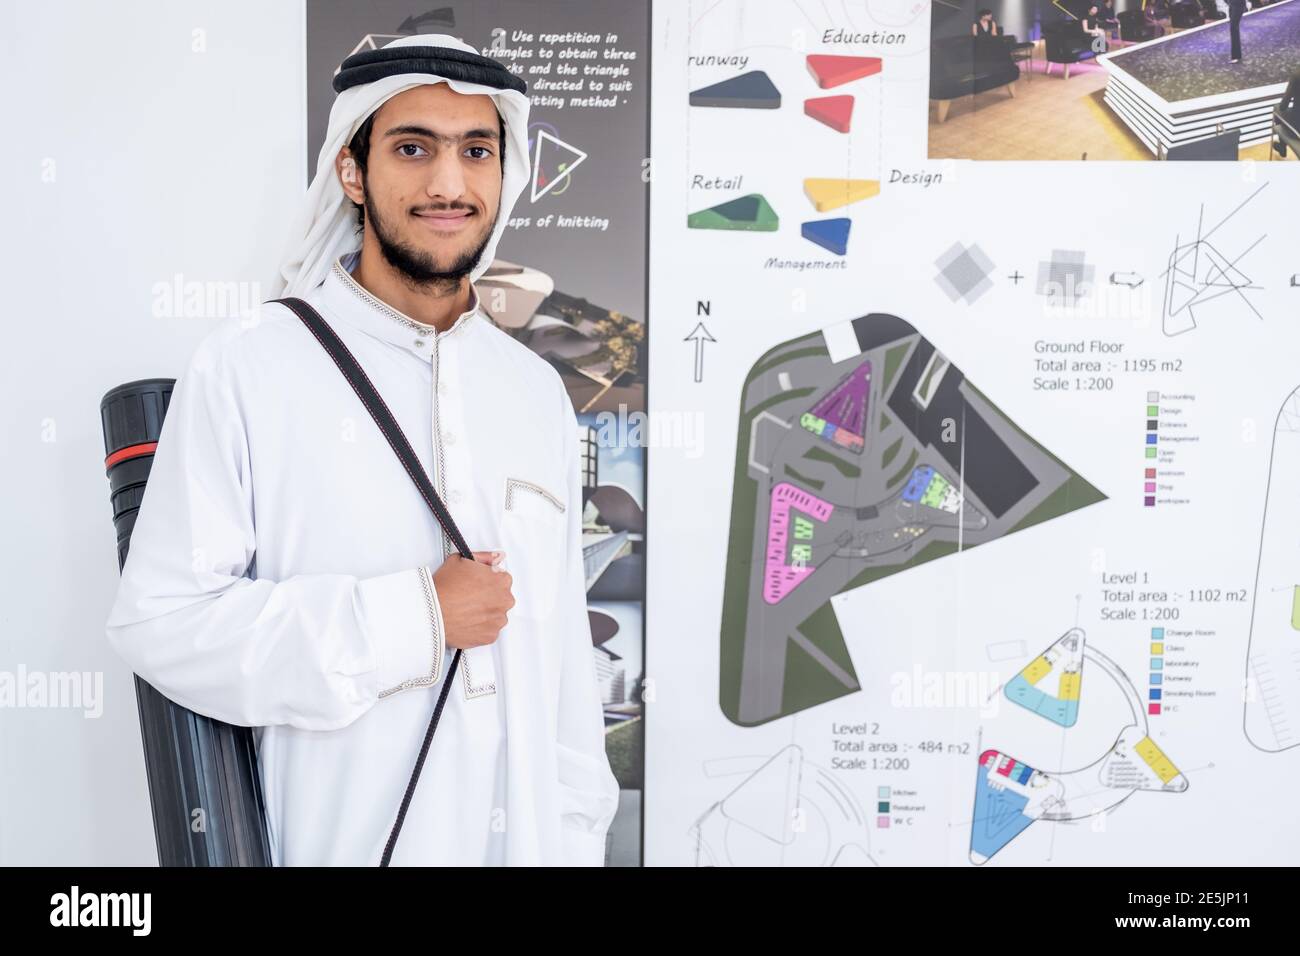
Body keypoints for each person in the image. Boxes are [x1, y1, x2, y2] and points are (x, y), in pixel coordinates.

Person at [105, 33, 620, 866]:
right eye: (412, 147)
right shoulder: (251, 365)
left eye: (475, 152)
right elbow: (162, 624)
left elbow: (563, 695)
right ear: (353, 170)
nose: (448, 183)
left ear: (504, 175)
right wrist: (413, 619)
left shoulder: (537, 395)